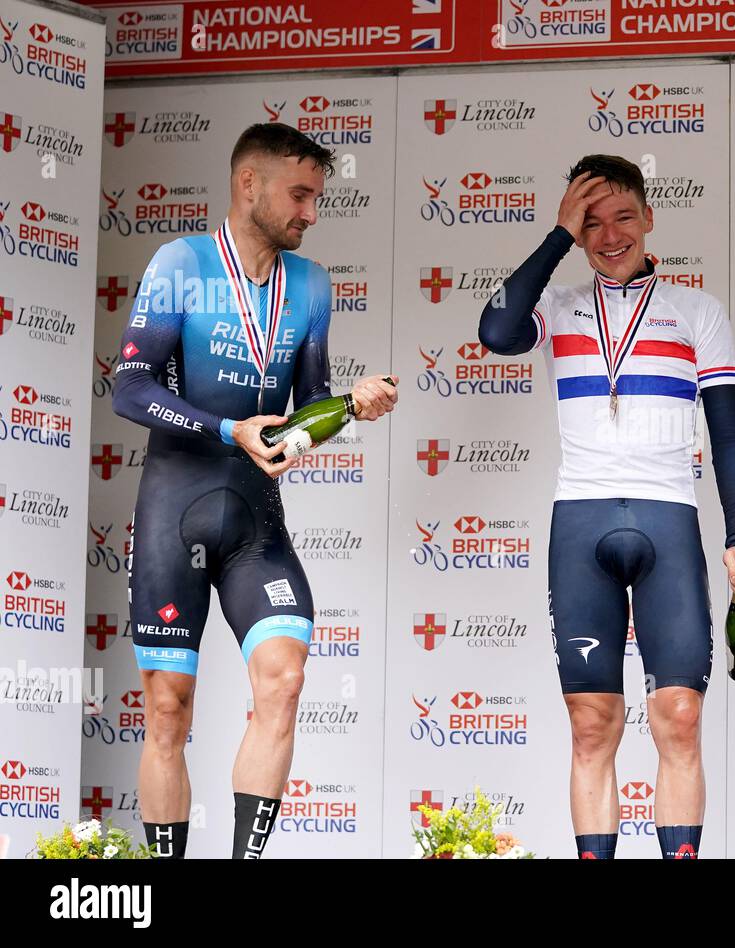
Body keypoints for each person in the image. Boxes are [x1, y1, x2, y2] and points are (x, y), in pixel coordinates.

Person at [112, 123, 398, 858]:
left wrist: (350, 409)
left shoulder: (312, 285)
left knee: (284, 680)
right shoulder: (180, 264)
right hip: (176, 503)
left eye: (316, 197)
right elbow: (131, 386)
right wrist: (226, 428)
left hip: (254, 522)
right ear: (250, 185)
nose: (311, 212)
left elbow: (307, 410)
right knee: (169, 709)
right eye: (300, 194)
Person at [478, 155, 735, 859]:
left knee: (680, 715)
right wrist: (554, 236)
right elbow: (495, 333)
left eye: (623, 217)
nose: (609, 236)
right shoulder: (557, 304)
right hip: (581, 518)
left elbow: (728, 433)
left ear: (650, 218)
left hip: (669, 514)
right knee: (592, 726)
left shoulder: (698, 311)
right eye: (591, 224)